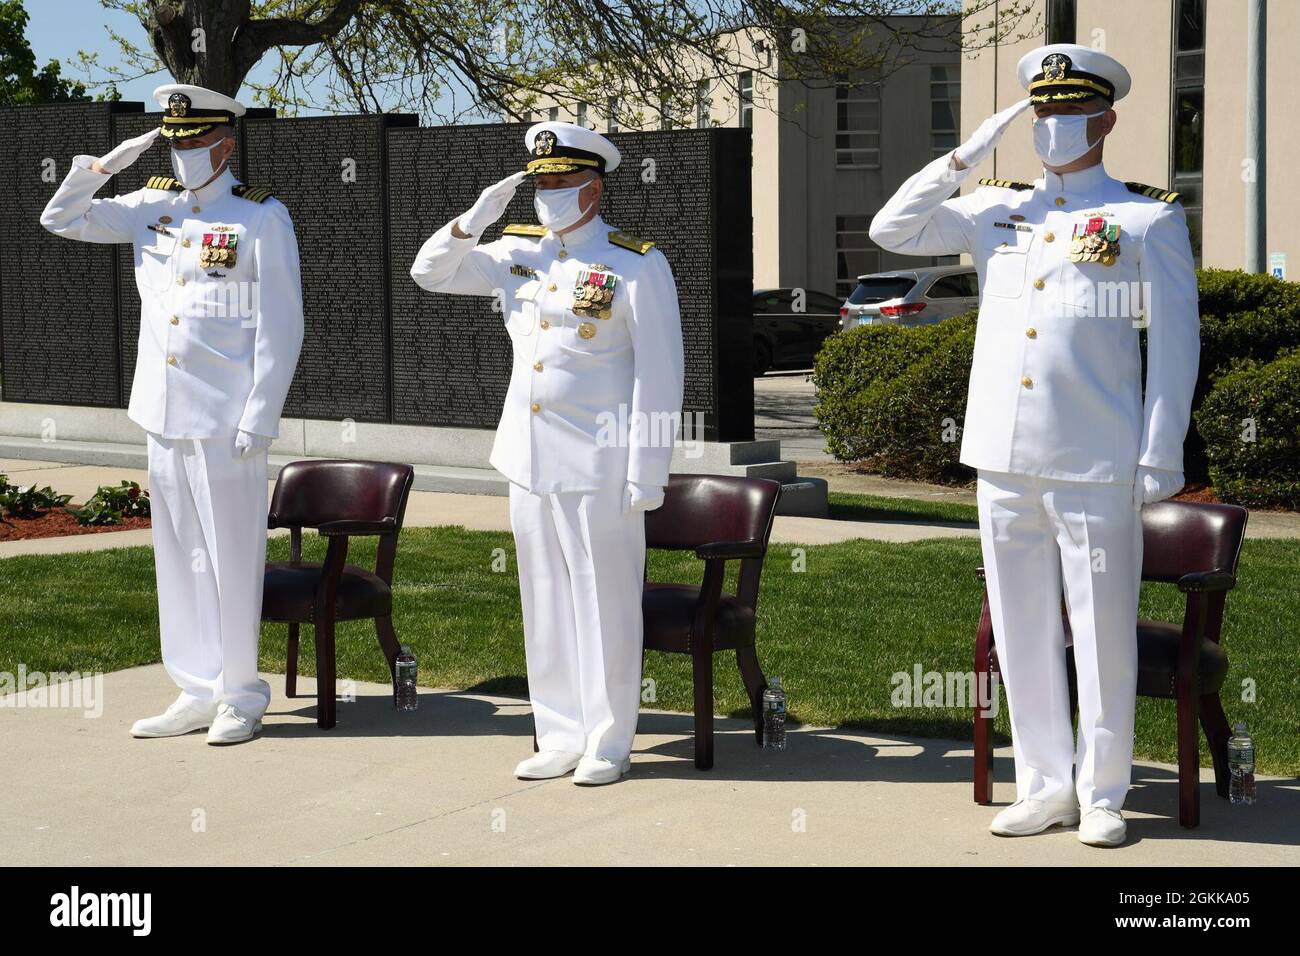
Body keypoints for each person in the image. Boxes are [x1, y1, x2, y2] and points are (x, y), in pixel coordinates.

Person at [869, 44, 1200, 846]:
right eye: (1043, 114)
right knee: (1021, 631)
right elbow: (893, 229)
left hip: (1096, 459)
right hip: (1003, 457)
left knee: (1101, 632)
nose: (1053, 127)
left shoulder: (1143, 217)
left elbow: (1177, 343)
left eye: (1069, 113)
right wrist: (961, 157)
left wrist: (1160, 453)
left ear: (1106, 119)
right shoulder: (994, 209)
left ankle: (1104, 793)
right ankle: (1045, 783)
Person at [410, 121, 684, 785]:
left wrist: (647, 471)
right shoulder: (516, 252)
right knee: (545, 598)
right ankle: (559, 733)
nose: (550, 193)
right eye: (541, 183)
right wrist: (477, 217)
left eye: (562, 182)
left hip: (600, 462)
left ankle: (609, 740)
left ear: (594, 186)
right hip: (529, 457)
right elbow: (428, 272)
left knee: (605, 601)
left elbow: (660, 372)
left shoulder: (634, 262)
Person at [41, 84, 304, 745]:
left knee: (230, 556)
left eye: (195, 140)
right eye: (175, 140)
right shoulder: (147, 205)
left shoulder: (261, 219)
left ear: (225, 142)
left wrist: (260, 416)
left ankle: (241, 695)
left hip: (226, 421)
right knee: (179, 555)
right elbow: (59, 219)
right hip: (162, 413)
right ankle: (196, 687)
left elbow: (282, 325)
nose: (184, 151)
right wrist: (102, 168)